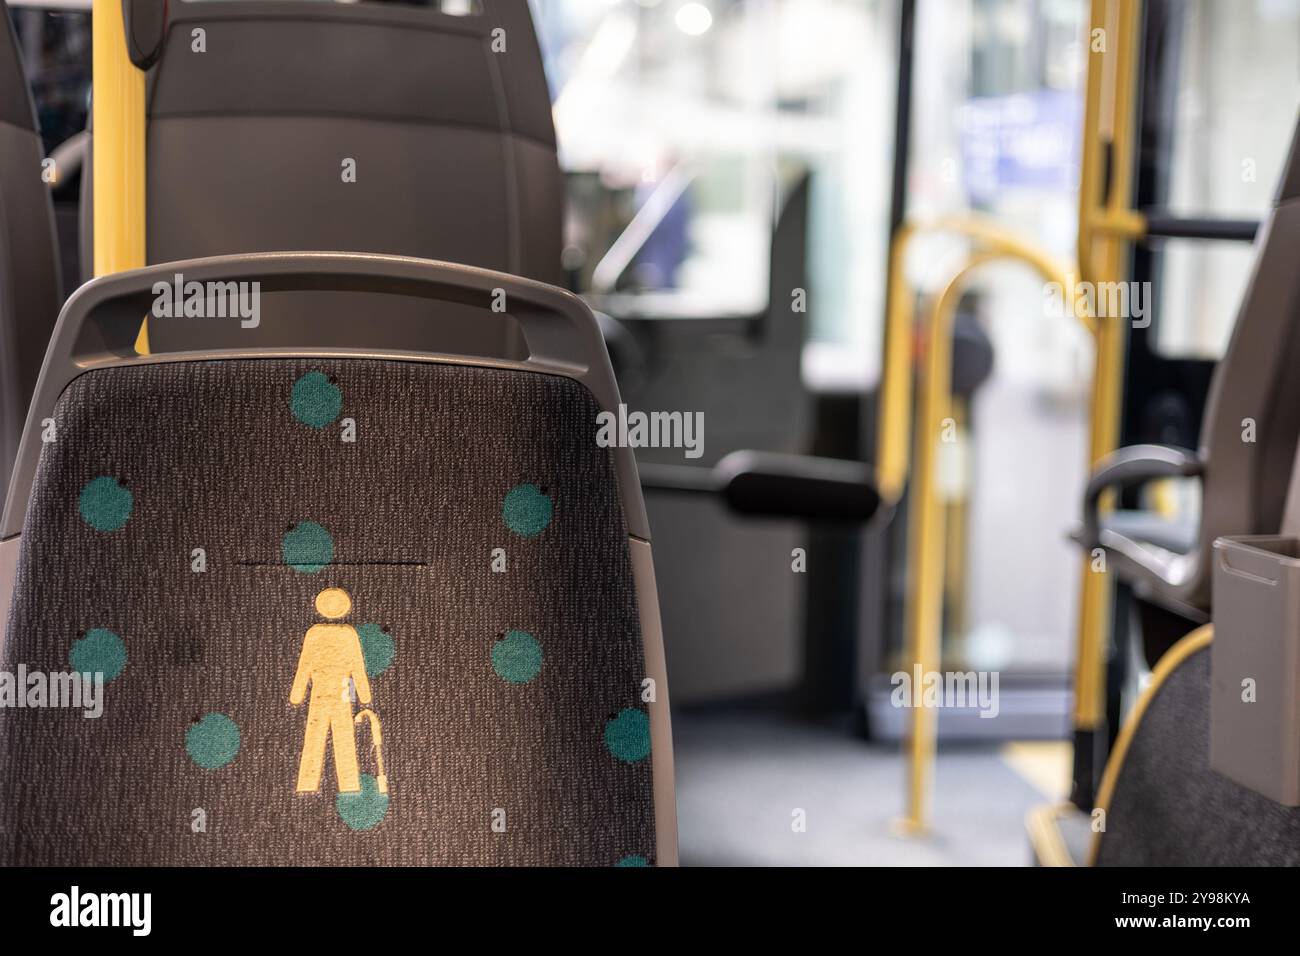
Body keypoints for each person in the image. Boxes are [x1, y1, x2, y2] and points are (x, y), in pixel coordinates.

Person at [290, 588, 371, 794]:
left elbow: (305, 664)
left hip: (326, 688)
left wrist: (298, 693)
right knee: (340, 736)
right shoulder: (344, 633)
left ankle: (311, 782)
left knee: (318, 735)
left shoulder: (317, 633)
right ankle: (347, 783)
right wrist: (361, 695)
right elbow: (356, 666)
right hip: (342, 688)